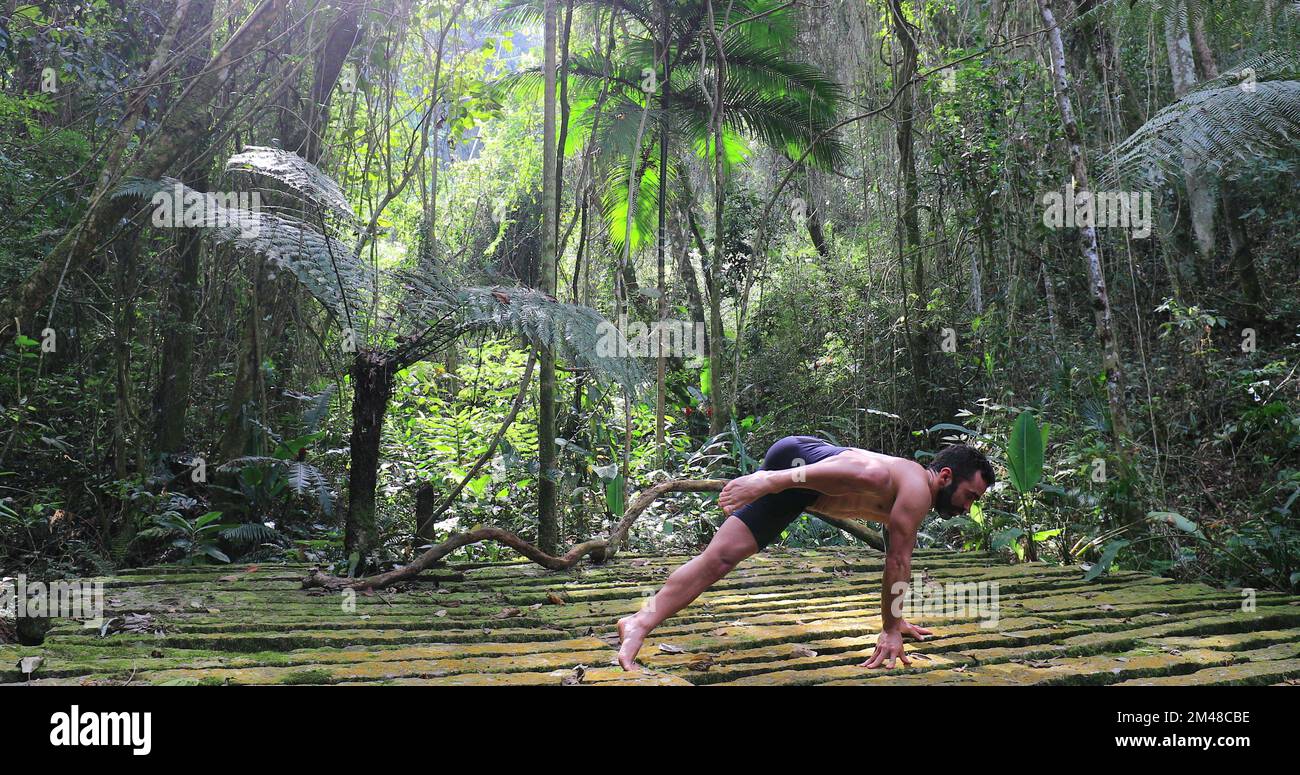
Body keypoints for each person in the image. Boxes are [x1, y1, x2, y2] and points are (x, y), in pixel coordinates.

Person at [616, 435, 995, 671]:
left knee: (719, 559)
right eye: (969, 496)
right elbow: (893, 552)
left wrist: (895, 624)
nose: (967, 506)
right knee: (867, 476)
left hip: (802, 485)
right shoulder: (914, 485)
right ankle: (641, 622)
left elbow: (897, 560)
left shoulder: (915, 495)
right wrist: (767, 481)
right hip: (799, 461)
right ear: (945, 477)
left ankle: (638, 622)